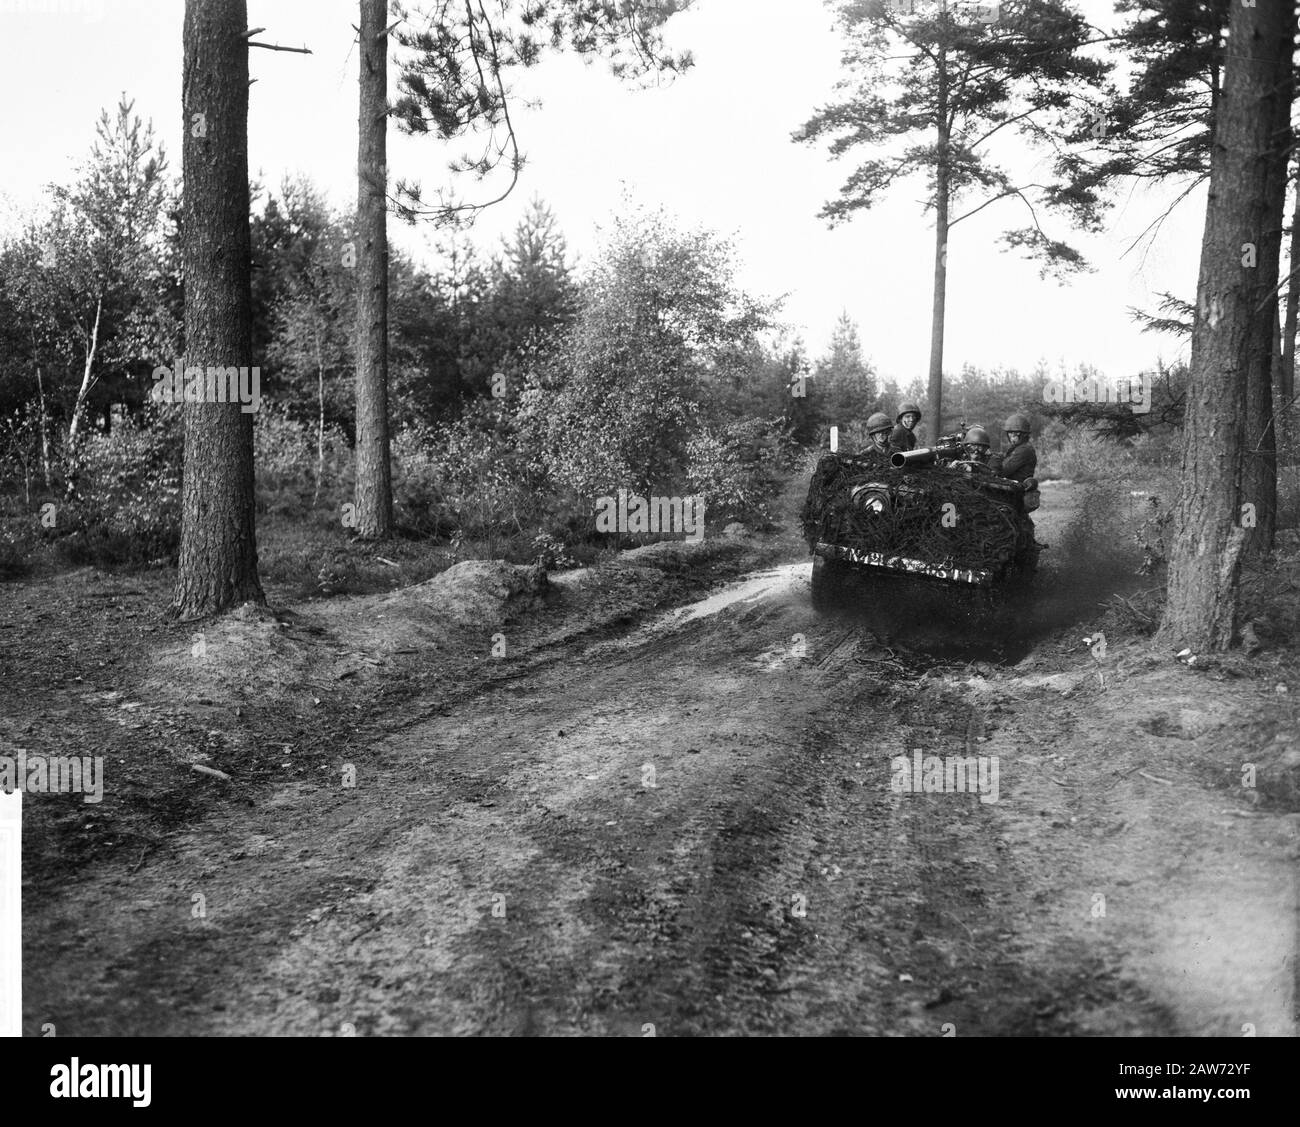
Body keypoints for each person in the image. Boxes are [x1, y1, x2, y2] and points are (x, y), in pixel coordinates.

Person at [990, 413, 1038, 484]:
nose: (1012, 436)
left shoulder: (1024, 449)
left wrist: (994, 460)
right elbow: (1005, 458)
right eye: (1010, 432)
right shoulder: (1017, 448)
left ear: (1023, 434)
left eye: (1015, 433)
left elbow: (1003, 470)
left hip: (1018, 489)